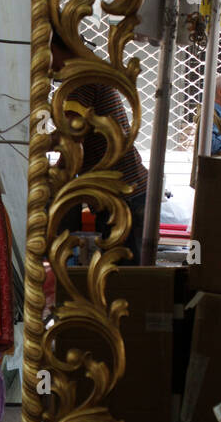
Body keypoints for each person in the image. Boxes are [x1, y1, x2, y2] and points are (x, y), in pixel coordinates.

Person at [49, 32, 148, 263]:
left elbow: (72, 140)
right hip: (126, 190)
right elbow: (72, 133)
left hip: (122, 196)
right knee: (125, 273)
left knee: (123, 277)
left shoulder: (80, 81)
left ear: (55, 49)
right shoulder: (89, 73)